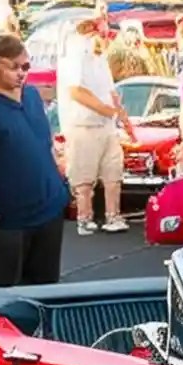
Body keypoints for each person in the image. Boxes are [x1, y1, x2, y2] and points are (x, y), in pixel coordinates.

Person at [0, 35, 70, 287]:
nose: (21, 73)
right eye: (14, 67)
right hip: (7, 218)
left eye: (25, 67)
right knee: (2, 293)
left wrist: (58, 172)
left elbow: (44, 140)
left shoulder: (31, 96)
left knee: (46, 290)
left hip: (49, 209)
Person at [57, 17, 131, 236]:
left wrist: (122, 115)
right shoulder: (75, 58)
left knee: (113, 173)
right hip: (83, 125)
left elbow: (111, 92)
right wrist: (105, 109)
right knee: (84, 176)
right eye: (104, 35)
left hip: (106, 126)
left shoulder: (100, 61)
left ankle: (113, 216)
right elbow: (76, 91)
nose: (107, 40)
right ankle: (84, 218)